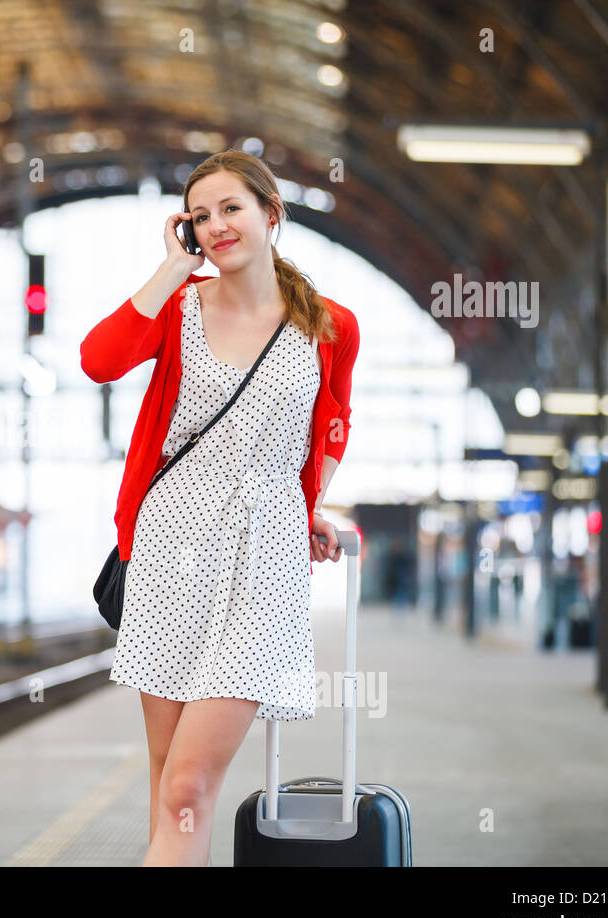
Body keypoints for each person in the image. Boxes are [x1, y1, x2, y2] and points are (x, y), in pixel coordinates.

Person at [79, 149, 359, 866]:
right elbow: (99, 360)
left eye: (231, 207)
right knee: (170, 785)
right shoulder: (178, 307)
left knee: (191, 781)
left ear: (272, 212)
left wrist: (305, 508)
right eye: (199, 216)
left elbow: (329, 425)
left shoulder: (330, 326)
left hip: (266, 558)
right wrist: (174, 266)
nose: (215, 225)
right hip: (170, 549)